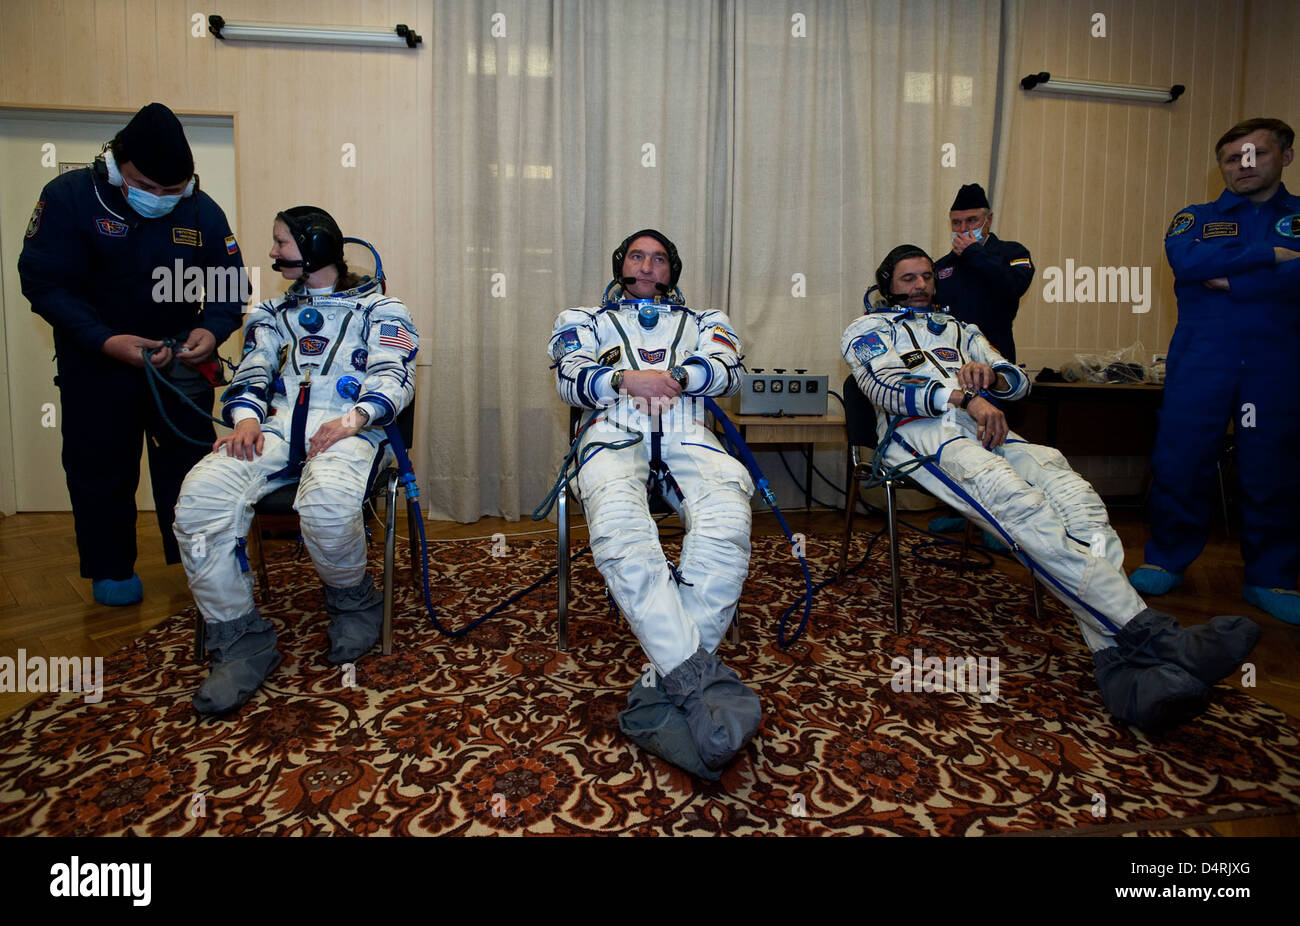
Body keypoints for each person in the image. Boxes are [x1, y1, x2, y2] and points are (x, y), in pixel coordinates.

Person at [841, 244, 1259, 734]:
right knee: (1020, 505)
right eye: (908, 278)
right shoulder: (867, 331)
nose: (919, 286)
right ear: (887, 282)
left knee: (1079, 503)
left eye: (927, 277)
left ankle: (1120, 668)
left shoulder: (961, 330)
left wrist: (992, 376)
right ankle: (1157, 636)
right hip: (920, 433)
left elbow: (1018, 384)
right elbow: (882, 386)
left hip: (987, 426)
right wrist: (964, 397)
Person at [173, 207, 418, 715]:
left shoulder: (382, 310)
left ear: (315, 246)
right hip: (277, 426)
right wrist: (243, 417)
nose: (273, 252)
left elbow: (394, 376)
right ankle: (240, 639)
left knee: (326, 504)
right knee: (200, 500)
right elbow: (253, 372)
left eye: (281, 242)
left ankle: (353, 601)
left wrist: (355, 419)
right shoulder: (268, 314)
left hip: (351, 425)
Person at [548, 229, 760, 778]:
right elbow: (572, 380)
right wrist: (626, 378)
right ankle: (694, 679)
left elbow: (729, 369)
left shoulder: (706, 320)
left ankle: (668, 682)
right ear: (621, 263)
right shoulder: (581, 319)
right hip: (612, 429)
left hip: (688, 428)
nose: (647, 266)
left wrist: (677, 377)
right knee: (622, 529)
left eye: (659, 258)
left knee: (728, 510)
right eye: (637, 256)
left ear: (673, 269)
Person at [18, 102, 246, 606]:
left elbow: (230, 286)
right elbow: (43, 282)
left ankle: (199, 564)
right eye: (147, 187)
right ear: (116, 164)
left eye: (174, 189)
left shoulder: (200, 208)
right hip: (98, 360)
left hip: (179, 364)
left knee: (192, 469)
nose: (161, 199)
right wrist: (103, 339)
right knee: (100, 466)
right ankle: (111, 569)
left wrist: (211, 329)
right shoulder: (69, 198)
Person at [1130, 118, 1300, 626]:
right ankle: (1166, 557)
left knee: (1271, 468)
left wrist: (1234, 280)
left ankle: (1270, 575)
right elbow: (1188, 264)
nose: (1243, 166)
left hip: (1275, 366)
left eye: (1257, 155)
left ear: (1285, 157)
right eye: (1232, 158)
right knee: (1182, 459)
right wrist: (1269, 256)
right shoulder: (1195, 218)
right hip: (1202, 362)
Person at [933, 182, 1033, 364]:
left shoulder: (1013, 253)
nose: (963, 228)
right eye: (956, 222)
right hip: (951, 358)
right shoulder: (941, 266)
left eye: (972, 220)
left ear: (989, 220)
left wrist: (974, 252)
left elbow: (1015, 285)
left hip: (995, 353)